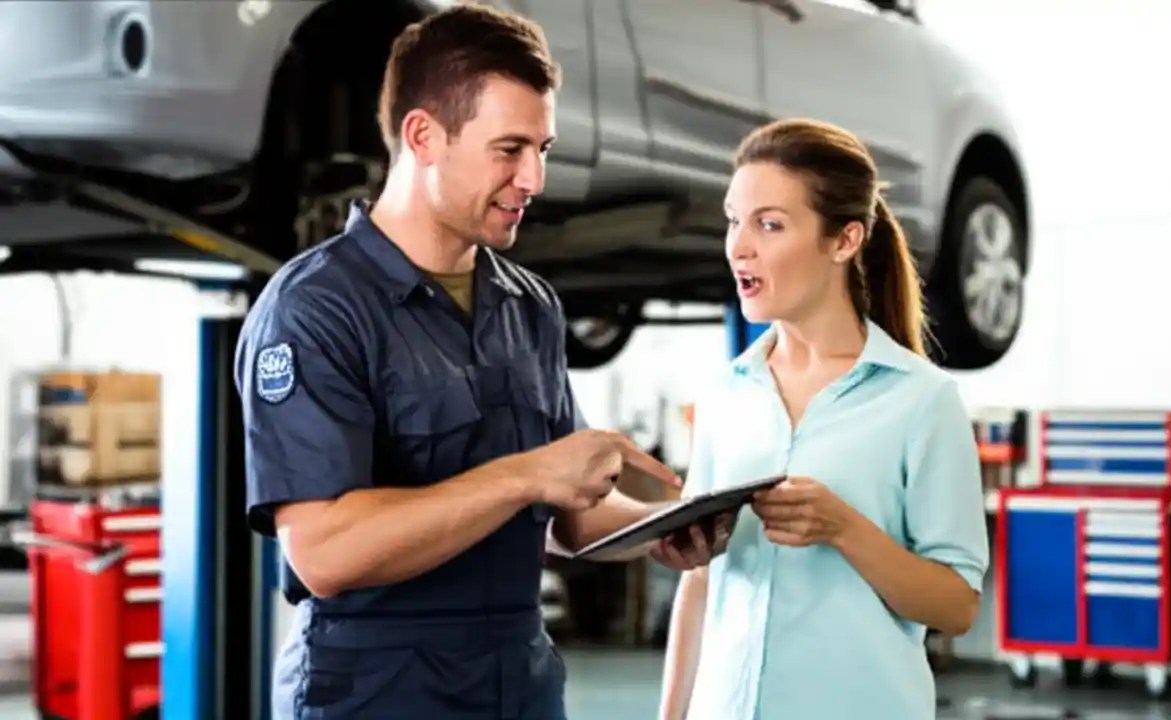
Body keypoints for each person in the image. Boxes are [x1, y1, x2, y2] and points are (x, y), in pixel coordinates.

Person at [234, 6, 727, 719]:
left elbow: (567, 514)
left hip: (515, 679)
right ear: (423, 136)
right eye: (509, 149)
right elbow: (324, 552)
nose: (534, 178)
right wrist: (527, 473)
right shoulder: (316, 310)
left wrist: (661, 526)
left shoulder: (529, 307)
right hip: (376, 691)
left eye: (544, 148)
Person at [657, 118, 991, 720]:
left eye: (770, 224)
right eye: (735, 220)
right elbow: (702, 582)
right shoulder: (727, 393)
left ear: (844, 241)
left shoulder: (920, 400)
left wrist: (843, 528)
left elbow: (956, 605)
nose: (739, 245)